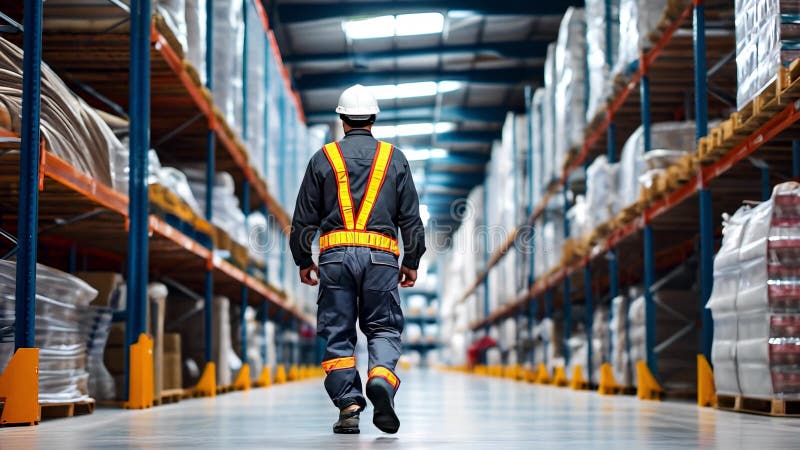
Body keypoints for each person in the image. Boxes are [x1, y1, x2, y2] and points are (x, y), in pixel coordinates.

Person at [289, 84, 426, 434]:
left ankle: (349, 406)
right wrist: (412, 260)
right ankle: (380, 378)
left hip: (335, 260)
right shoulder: (394, 158)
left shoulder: (324, 158)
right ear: (374, 118)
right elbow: (410, 218)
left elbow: (304, 218)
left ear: (342, 119)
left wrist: (303, 258)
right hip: (381, 260)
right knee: (382, 326)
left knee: (338, 331)